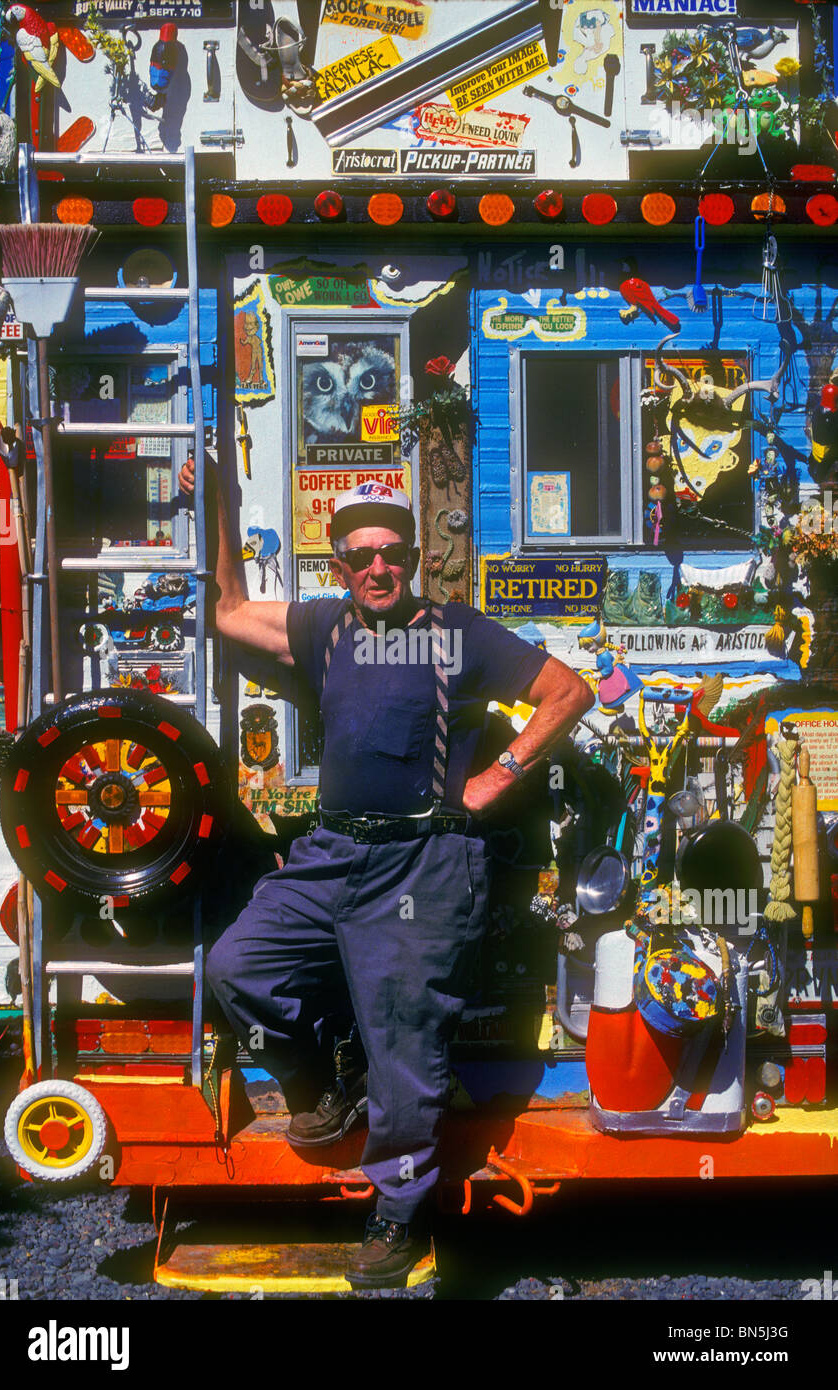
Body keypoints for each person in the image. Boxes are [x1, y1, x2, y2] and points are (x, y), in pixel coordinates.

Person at [181, 458, 593, 1288]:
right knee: (237, 966)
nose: (376, 568)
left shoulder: (460, 633)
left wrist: (497, 775)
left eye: (391, 554)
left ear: (415, 560)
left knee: (406, 1048)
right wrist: (218, 494)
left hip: (425, 864)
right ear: (337, 565)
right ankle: (324, 1081)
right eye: (359, 555)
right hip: (330, 854)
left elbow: (569, 691)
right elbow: (226, 609)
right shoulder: (323, 628)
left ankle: (398, 1216)